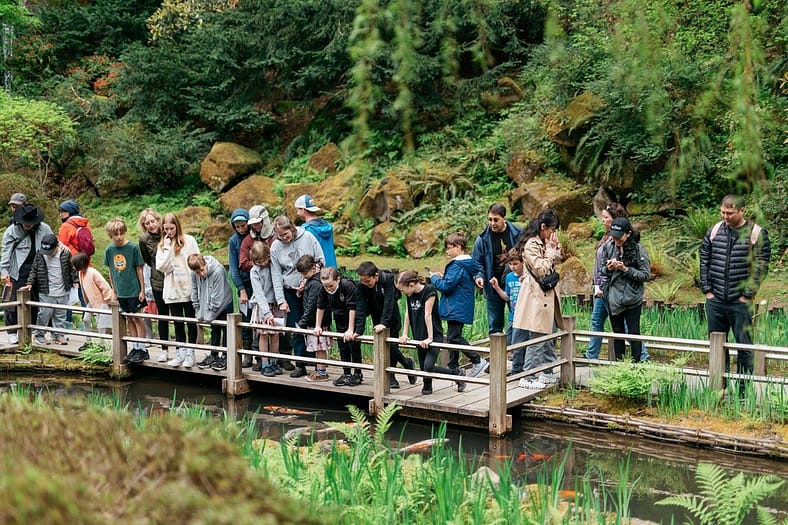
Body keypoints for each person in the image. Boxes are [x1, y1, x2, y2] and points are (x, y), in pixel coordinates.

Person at [700, 194, 771, 386]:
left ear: (741, 211)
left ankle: (743, 391)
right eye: (723, 212)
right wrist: (707, 290)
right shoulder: (714, 231)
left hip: (740, 302)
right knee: (717, 345)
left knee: (744, 346)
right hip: (715, 299)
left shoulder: (756, 234)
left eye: (730, 213)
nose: (725, 216)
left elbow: (761, 267)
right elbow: (704, 259)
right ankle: (718, 388)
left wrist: (747, 294)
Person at [513, 209, 563, 389]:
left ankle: (547, 371)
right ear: (543, 227)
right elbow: (541, 269)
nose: (553, 234)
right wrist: (550, 252)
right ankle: (528, 375)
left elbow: (551, 264)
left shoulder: (544, 242)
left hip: (547, 296)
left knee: (549, 333)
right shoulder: (531, 245)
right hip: (536, 297)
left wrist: (555, 251)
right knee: (538, 335)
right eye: (551, 230)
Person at [270, 215, 325, 379]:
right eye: (280, 237)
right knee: (297, 326)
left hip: (311, 288)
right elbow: (275, 274)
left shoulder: (307, 237)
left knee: (314, 325)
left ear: (292, 229)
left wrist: (308, 280)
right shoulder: (275, 247)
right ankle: (300, 364)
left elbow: (321, 261)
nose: (283, 239)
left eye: (285, 235)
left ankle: (316, 363)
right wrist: (281, 300)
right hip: (290, 290)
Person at [397, 270, 465, 395]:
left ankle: (456, 374)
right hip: (418, 334)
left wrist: (430, 338)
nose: (402, 293)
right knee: (423, 366)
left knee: (428, 366)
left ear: (411, 285)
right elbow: (407, 313)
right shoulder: (409, 294)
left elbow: (427, 314)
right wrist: (405, 334)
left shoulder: (429, 291)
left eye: (402, 290)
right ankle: (427, 386)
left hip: (433, 334)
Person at [430, 232, 488, 377]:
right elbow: (456, 281)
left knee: (454, 337)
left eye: (449, 248)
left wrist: (434, 279)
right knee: (452, 337)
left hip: (456, 305)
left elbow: (446, 287)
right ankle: (453, 367)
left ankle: (477, 360)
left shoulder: (457, 265)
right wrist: (444, 277)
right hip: (459, 304)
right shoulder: (466, 263)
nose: (447, 251)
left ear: (458, 247)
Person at [353, 261, 416, 388]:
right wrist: (358, 330)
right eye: (362, 281)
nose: (365, 284)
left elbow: (389, 303)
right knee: (385, 347)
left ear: (375, 276)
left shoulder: (388, 280)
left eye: (367, 281)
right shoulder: (362, 285)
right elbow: (360, 306)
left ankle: (393, 375)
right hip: (377, 317)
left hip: (391, 317)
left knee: (392, 345)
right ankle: (406, 363)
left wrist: (384, 323)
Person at [1, 204, 54, 344]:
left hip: (39, 269)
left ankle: (33, 331)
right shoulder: (12, 231)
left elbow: (53, 248)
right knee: (12, 301)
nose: (27, 225)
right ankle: (12, 331)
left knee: (36, 301)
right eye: (25, 222)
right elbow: (6, 252)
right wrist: (4, 271)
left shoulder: (45, 229)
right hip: (17, 270)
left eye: (30, 223)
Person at [600, 217, 650, 362]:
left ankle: (636, 366)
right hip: (613, 297)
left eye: (619, 237)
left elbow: (645, 275)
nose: (616, 240)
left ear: (628, 234)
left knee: (634, 334)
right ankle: (619, 367)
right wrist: (609, 268)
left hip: (632, 298)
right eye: (613, 237)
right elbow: (602, 269)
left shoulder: (638, 249)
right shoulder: (608, 247)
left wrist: (625, 269)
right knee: (618, 334)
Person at [155, 213, 200, 368]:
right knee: (178, 322)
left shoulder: (189, 241)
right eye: (166, 229)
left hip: (188, 287)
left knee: (190, 321)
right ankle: (180, 352)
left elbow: (197, 261)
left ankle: (191, 352)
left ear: (177, 226)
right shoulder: (162, 245)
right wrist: (168, 248)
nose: (169, 232)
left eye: (171, 228)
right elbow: (162, 268)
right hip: (172, 289)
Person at [472, 203, 522, 335]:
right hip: (493, 286)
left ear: (504, 218)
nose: (492, 223)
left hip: (515, 285)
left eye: (496, 220)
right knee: (495, 325)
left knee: (518, 322)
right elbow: (477, 262)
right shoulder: (482, 239)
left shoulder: (517, 234)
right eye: (489, 219)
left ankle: (516, 353)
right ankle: (496, 354)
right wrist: (479, 277)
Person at [103, 217, 147, 363]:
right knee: (129, 318)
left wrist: (142, 289)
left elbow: (139, 269)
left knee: (137, 317)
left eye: (121, 233)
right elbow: (111, 271)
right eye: (116, 234)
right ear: (111, 235)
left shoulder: (133, 248)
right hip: (121, 291)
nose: (119, 237)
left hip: (133, 289)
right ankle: (135, 346)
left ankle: (142, 348)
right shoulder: (110, 250)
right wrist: (114, 290)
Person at [20, 234, 78, 345]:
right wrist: (30, 283)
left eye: (51, 250)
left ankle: (58, 335)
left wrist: (75, 281)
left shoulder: (65, 253)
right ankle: (39, 335)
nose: (48, 253)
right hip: (46, 290)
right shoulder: (40, 254)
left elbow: (72, 269)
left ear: (57, 246)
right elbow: (34, 269)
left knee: (60, 314)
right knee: (44, 314)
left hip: (62, 290)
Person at [239, 204, 275, 370]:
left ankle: (277, 360)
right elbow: (242, 262)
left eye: (259, 223)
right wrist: (259, 264)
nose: (256, 226)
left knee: (276, 332)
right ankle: (263, 361)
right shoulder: (248, 240)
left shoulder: (274, 237)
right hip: (258, 294)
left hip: (274, 297)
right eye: (253, 224)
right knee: (261, 332)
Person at [314, 266, 364, 387]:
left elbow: (352, 307)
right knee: (342, 346)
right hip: (339, 317)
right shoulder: (324, 289)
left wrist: (351, 329)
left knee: (353, 346)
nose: (328, 288)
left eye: (330, 285)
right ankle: (346, 373)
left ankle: (357, 373)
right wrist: (317, 326)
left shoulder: (347, 286)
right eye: (326, 286)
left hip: (353, 317)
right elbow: (321, 306)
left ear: (338, 279)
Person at [188, 254, 234, 369]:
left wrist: (207, 317)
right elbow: (194, 290)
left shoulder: (218, 271)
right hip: (208, 303)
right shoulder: (194, 274)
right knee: (215, 329)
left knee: (225, 329)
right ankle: (213, 355)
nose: (201, 274)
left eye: (202, 270)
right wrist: (197, 309)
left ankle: (225, 356)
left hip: (224, 303)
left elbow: (217, 298)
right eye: (198, 272)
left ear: (205, 264)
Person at [137, 208, 170, 359]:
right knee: (162, 315)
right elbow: (147, 260)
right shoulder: (144, 240)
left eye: (153, 221)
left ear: (158, 220)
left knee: (178, 315)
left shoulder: (168, 232)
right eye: (147, 223)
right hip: (157, 281)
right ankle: (164, 349)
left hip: (174, 280)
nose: (151, 225)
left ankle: (184, 350)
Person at [490, 248, 528, 374]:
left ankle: (518, 368)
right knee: (510, 342)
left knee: (521, 343)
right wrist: (496, 288)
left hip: (525, 316)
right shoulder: (509, 277)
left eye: (516, 264)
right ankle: (514, 366)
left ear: (523, 262)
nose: (512, 267)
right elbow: (507, 296)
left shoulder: (528, 277)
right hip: (513, 315)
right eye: (510, 264)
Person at [296, 254, 332, 381]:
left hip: (318, 322)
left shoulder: (315, 284)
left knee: (320, 347)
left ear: (312, 269)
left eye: (304, 273)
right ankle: (319, 370)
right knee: (317, 348)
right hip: (315, 321)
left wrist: (302, 323)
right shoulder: (312, 281)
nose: (303, 276)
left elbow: (312, 306)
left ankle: (322, 372)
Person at [249, 242, 283, 377]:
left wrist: (282, 302)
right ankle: (265, 363)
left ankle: (274, 361)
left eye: (264, 260)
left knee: (275, 334)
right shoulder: (254, 272)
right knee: (263, 334)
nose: (262, 263)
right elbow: (259, 294)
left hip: (275, 304)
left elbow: (278, 283)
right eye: (258, 261)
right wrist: (267, 313)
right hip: (262, 306)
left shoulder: (273, 265)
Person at [72, 252, 112, 346]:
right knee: (86, 319)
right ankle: (88, 341)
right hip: (90, 301)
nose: (73, 267)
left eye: (74, 265)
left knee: (101, 324)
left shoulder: (93, 273)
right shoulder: (81, 273)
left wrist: (109, 299)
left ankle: (102, 344)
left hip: (101, 301)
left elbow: (105, 286)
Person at [295, 194, 337, 269]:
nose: (297, 213)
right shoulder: (328, 226)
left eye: (298, 210)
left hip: (318, 273)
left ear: (303, 210)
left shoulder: (305, 230)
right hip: (332, 271)